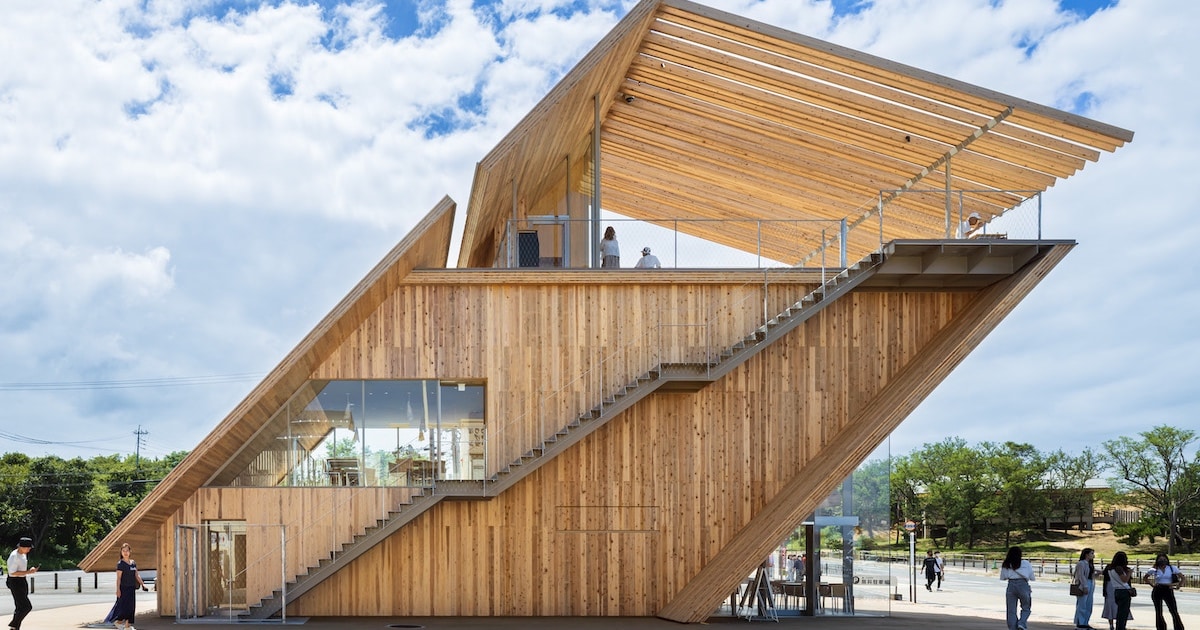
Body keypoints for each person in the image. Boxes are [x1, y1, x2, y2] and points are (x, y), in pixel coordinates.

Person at [109, 542, 147, 630]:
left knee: (131, 608)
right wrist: (118, 590)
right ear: (121, 552)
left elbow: (136, 575)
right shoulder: (120, 564)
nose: (125, 552)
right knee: (124, 607)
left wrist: (143, 584)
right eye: (123, 551)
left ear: (130, 551)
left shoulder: (133, 562)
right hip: (124, 588)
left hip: (131, 588)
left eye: (127, 550)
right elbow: (118, 578)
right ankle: (118, 622)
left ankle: (127, 626)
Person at [1144, 553, 1185, 630]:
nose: (1162, 561)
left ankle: (1179, 628)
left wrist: (1179, 585)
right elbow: (1145, 578)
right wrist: (1152, 584)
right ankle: (1161, 627)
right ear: (1157, 561)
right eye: (1160, 560)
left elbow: (1182, 578)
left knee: (1173, 610)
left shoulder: (1172, 568)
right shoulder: (1154, 569)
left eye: (1164, 559)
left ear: (1167, 560)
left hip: (1168, 589)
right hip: (1158, 589)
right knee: (1158, 611)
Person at [999, 545, 1035, 630]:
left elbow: (1002, 577)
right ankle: (1021, 623)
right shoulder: (1026, 563)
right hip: (1023, 585)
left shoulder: (1006, 564)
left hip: (1011, 585)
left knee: (1011, 610)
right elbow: (1032, 577)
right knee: (1026, 607)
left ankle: (1012, 627)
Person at [6, 537, 38, 630]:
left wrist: (29, 571)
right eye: (27, 547)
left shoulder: (23, 554)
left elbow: (21, 569)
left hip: (22, 580)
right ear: (21, 547)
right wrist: (29, 572)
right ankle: (13, 625)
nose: (29, 549)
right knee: (26, 607)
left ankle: (15, 628)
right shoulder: (14, 556)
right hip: (15, 581)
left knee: (20, 607)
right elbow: (13, 573)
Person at [1102, 551, 1135, 630]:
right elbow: (1124, 580)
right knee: (1123, 612)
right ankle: (1121, 627)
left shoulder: (1110, 568)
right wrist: (1130, 572)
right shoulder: (1119, 568)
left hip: (1116, 590)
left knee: (1120, 611)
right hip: (1123, 590)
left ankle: (1118, 626)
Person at [1073, 547, 1098, 630]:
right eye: (1091, 553)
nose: (1093, 555)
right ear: (1086, 554)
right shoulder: (1081, 563)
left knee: (1088, 604)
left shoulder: (1089, 564)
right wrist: (1085, 586)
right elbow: (1081, 576)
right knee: (1082, 603)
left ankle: (1085, 622)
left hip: (1091, 583)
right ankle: (1080, 622)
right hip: (1084, 584)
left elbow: (1091, 575)